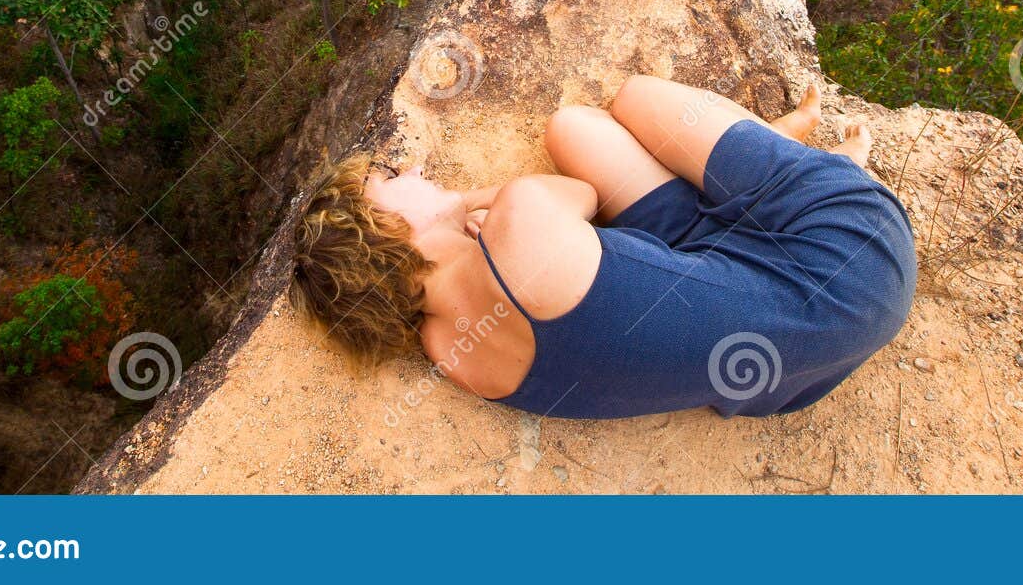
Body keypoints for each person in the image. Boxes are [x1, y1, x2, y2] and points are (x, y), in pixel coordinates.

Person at [291, 75, 915, 419]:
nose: (413, 171)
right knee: (632, 101)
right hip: (858, 257)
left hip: (788, 378)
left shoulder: (449, 351)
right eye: (393, 183)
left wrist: (466, 231)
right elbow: (582, 193)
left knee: (573, 132)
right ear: (391, 229)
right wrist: (483, 203)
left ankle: (772, 170)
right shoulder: (524, 215)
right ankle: (820, 164)